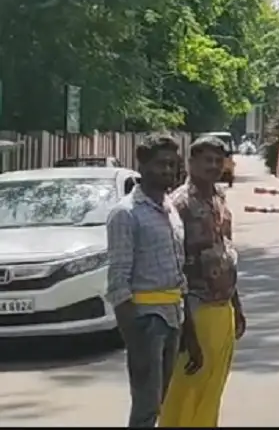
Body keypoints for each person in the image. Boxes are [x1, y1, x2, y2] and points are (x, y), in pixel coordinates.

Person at [106, 134, 197, 428]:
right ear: (142, 165)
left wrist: (187, 326)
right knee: (146, 406)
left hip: (173, 317)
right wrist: (133, 337)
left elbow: (178, 270)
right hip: (146, 321)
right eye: (161, 164)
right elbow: (118, 281)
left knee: (160, 401)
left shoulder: (169, 209)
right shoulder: (126, 213)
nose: (168, 171)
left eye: (173, 164)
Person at [159, 136, 246, 427]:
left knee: (211, 391)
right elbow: (174, 268)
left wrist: (237, 305)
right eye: (206, 160)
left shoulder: (219, 199)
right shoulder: (179, 205)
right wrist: (187, 330)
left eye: (217, 160)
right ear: (191, 163)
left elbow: (226, 253)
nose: (212, 166)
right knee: (184, 393)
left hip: (222, 308)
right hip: (193, 311)